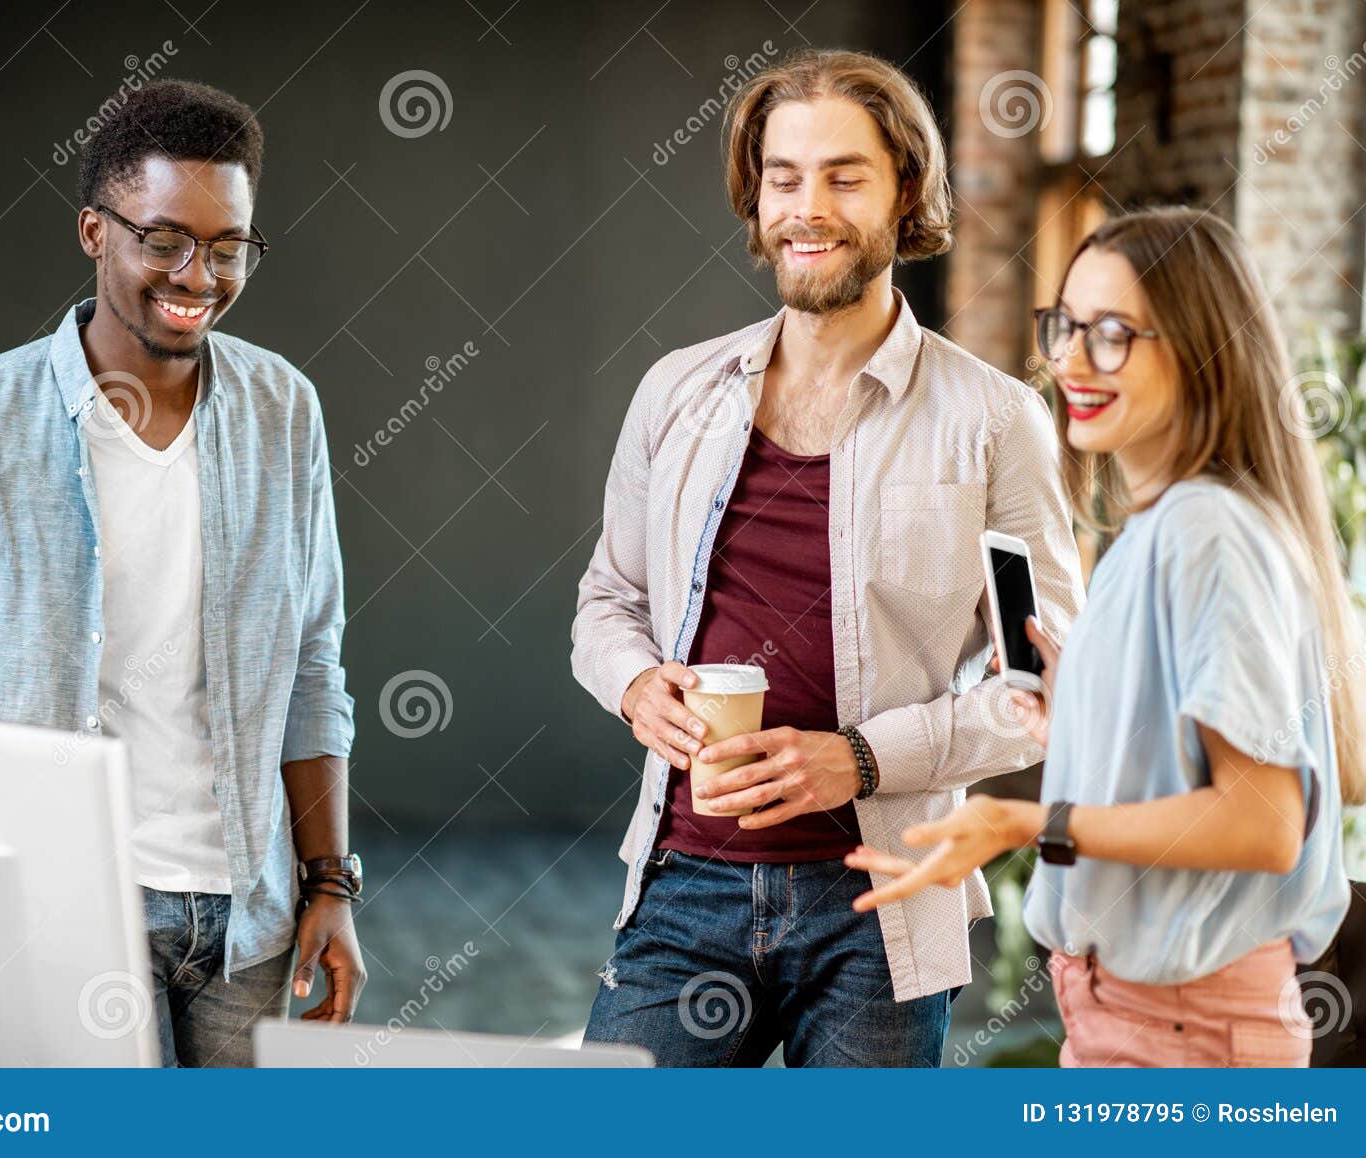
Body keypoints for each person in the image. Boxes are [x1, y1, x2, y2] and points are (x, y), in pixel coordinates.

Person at [570, 49, 1084, 1067]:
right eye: (784, 178)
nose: (809, 208)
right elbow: (606, 600)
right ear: (755, 201)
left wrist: (851, 759)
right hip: (683, 885)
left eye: (845, 177)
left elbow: (1044, 685)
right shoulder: (677, 393)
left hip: (880, 910)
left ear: (905, 192)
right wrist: (636, 689)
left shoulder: (991, 423)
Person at [0, 80, 366, 1066]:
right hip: (64, 908)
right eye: (164, 240)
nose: (198, 274)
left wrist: (330, 886)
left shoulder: (284, 411)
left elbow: (314, 669)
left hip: (253, 917)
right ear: (94, 231)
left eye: (228, 245)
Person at [848, 206, 1362, 1067]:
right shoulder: (1159, 528)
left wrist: (1025, 822)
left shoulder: (1207, 532)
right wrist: (1084, 725)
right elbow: (1194, 783)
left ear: (1200, 348)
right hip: (1135, 1021)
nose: (1073, 361)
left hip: (1187, 1035)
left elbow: (1264, 821)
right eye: (1068, 327)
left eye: (1116, 333)